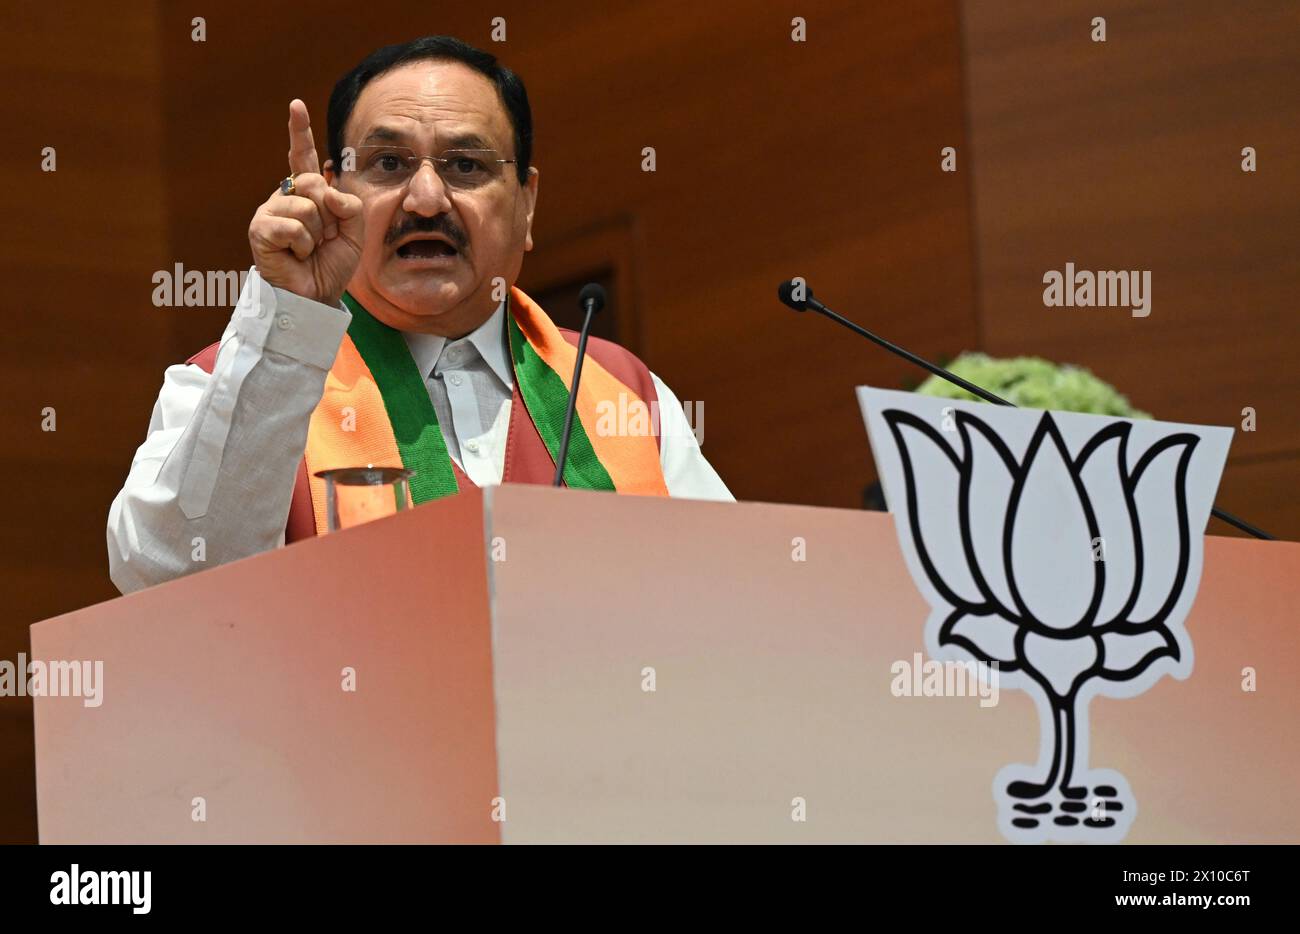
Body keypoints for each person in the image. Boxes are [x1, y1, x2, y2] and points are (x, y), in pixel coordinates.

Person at [107, 36, 731, 595]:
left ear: (527, 205)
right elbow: (169, 578)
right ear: (332, 194)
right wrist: (287, 318)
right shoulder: (231, 381)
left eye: (466, 165)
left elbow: (734, 597)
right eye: (388, 165)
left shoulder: (622, 387)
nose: (427, 200)